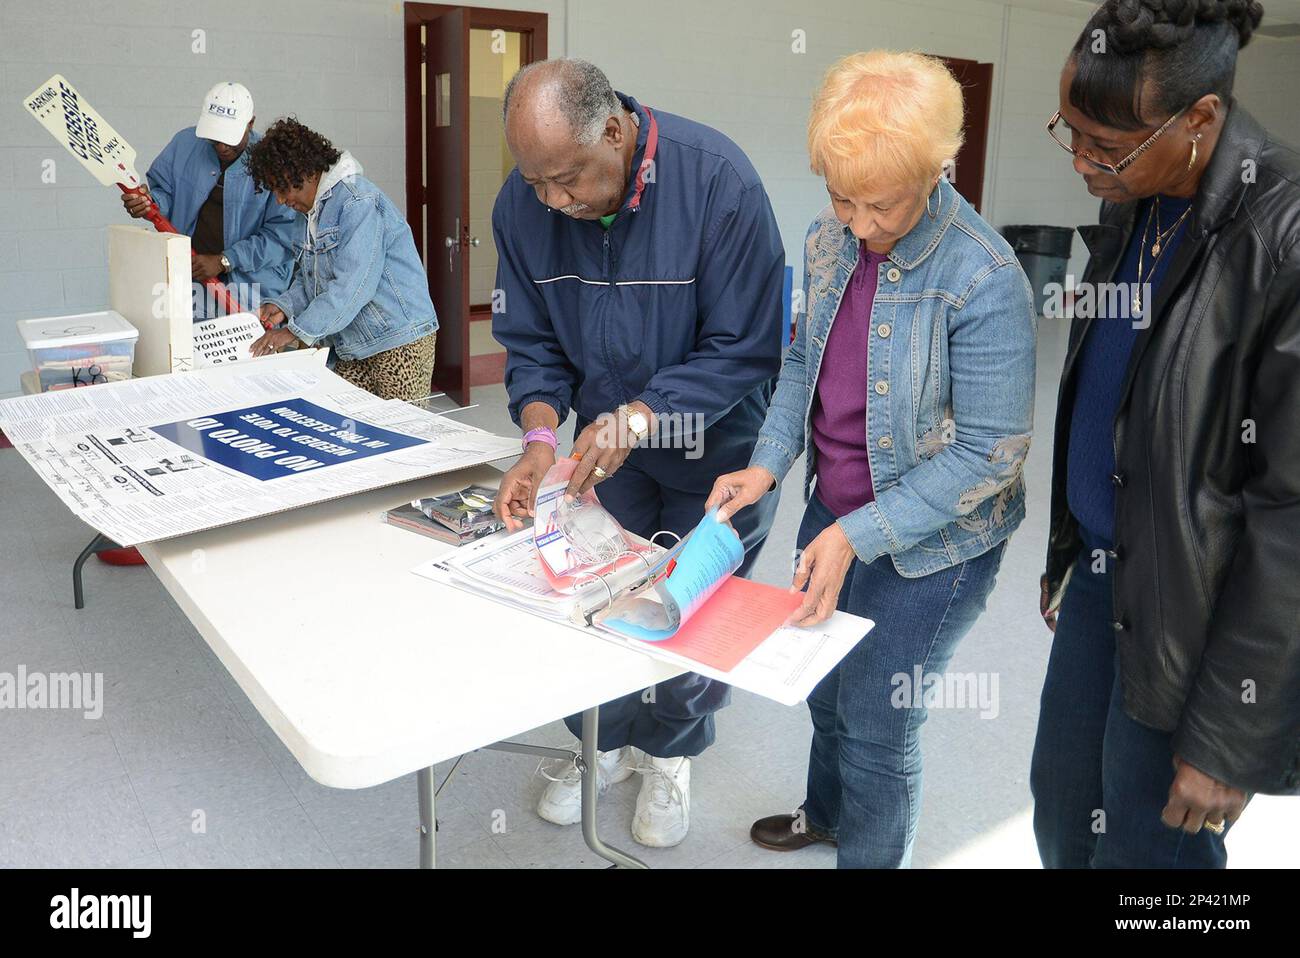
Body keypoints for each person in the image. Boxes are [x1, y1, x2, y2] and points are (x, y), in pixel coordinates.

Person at [706, 51, 1038, 868]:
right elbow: (799, 367)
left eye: (878, 204)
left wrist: (859, 533)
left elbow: (987, 457)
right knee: (823, 681)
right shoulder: (827, 243)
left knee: (881, 722)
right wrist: (770, 464)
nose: (855, 223)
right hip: (837, 507)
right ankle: (826, 815)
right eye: (839, 197)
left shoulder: (984, 275)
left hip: (937, 538)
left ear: (936, 171)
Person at [489, 59, 785, 847]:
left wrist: (641, 417)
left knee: (688, 607)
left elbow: (746, 346)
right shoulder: (523, 205)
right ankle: (606, 745)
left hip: (715, 444)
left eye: (567, 179)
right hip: (599, 450)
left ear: (615, 133)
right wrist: (541, 438)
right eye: (535, 182)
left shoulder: (720, 184)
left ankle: (672, 754)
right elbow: (532, 341)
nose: (552, 200)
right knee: (593, 599)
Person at [1031, 0, 1299, 869]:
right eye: (1070, 132)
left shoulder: (1280, 237)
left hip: (1201, 615)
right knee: (1066, 817)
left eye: (1107, 147)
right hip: (1107, 579)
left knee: (1149, 861)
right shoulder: (1134, 202)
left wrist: (1231, 731)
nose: (1082, 163)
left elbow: (1290, 514)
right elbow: (1112, 392)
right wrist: (1070, 546)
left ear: (1202, 120)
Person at [245, 119, 439, 402]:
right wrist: (284, 306)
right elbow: (312, 278)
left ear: (301, 172)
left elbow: (352, 288)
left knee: (402, 434)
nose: (279, 200)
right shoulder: (310, 213)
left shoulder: (356, 203)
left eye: (281, 189)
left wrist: (292, 332)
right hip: (354, 343)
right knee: (345, 424)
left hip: (397, 340)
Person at [121, 82, 297, 318]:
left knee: (246, 350)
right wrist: (149, 203)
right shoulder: (184, 144)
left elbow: (283, 237)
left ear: (250, 124)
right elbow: (164, 194)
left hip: (253, 287)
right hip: (191, 277)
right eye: (214, 138)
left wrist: (226, 260)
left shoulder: (274, 162)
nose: (222, 147)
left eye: (230, 139)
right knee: (189, 348)